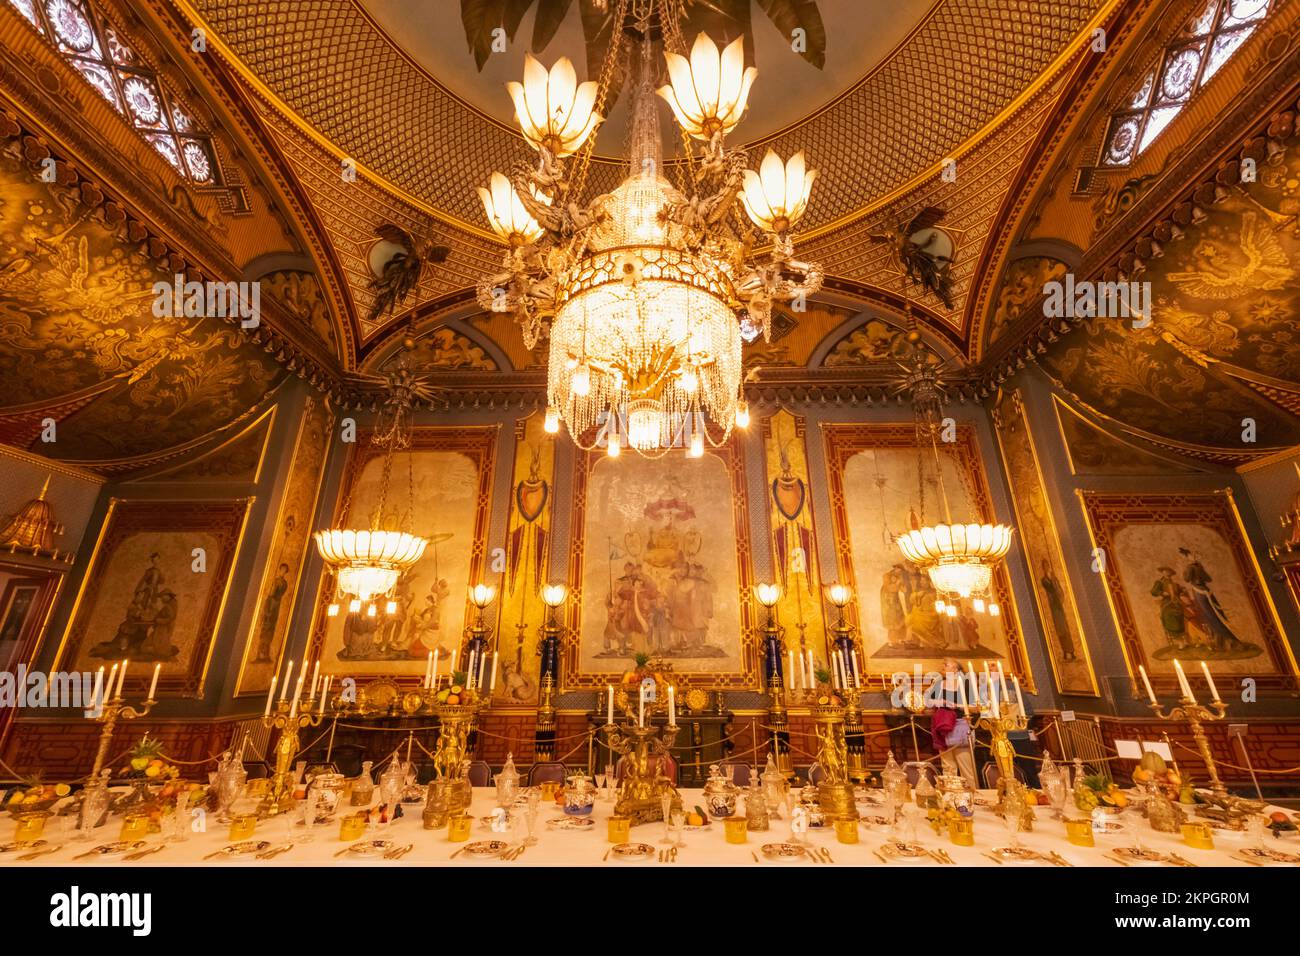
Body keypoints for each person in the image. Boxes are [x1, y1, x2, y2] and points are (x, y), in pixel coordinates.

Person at [932, 658, 977, 789]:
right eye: (943, 664)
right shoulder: (938, 684)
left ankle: (971, 796)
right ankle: (950, 798)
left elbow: (976, 707)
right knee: (947, 768)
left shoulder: (966, 684)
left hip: (960, 726)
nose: (943, 666)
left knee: (966, 768)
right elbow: (930, 703)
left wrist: (957, 706)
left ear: (956, 669)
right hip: (942, 727)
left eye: (947, 664)